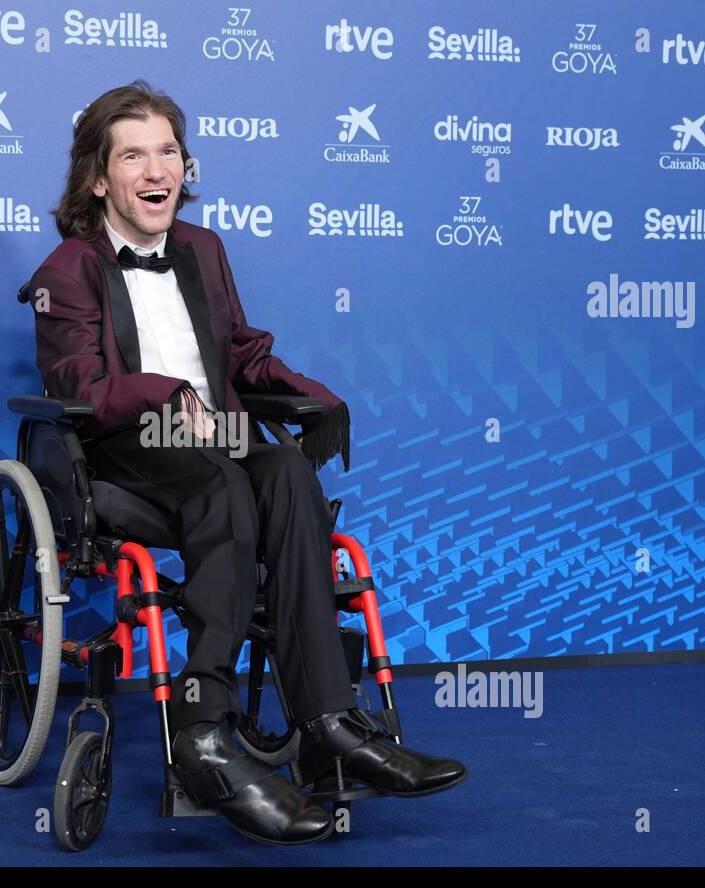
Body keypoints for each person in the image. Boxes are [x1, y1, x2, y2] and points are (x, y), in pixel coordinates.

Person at [26, 80, 465, 846]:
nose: (157, 168)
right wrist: (165, 394)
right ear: (100, 177)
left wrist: (307, 393)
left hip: (211, 444)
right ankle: (202, 733)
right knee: (227, 477)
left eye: (169, 151)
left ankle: (329, 721)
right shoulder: (68, 270)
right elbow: (80, 389)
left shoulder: (203, 249)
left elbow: (236, 350)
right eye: (133, 154)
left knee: (286, 470)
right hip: (125, 454)